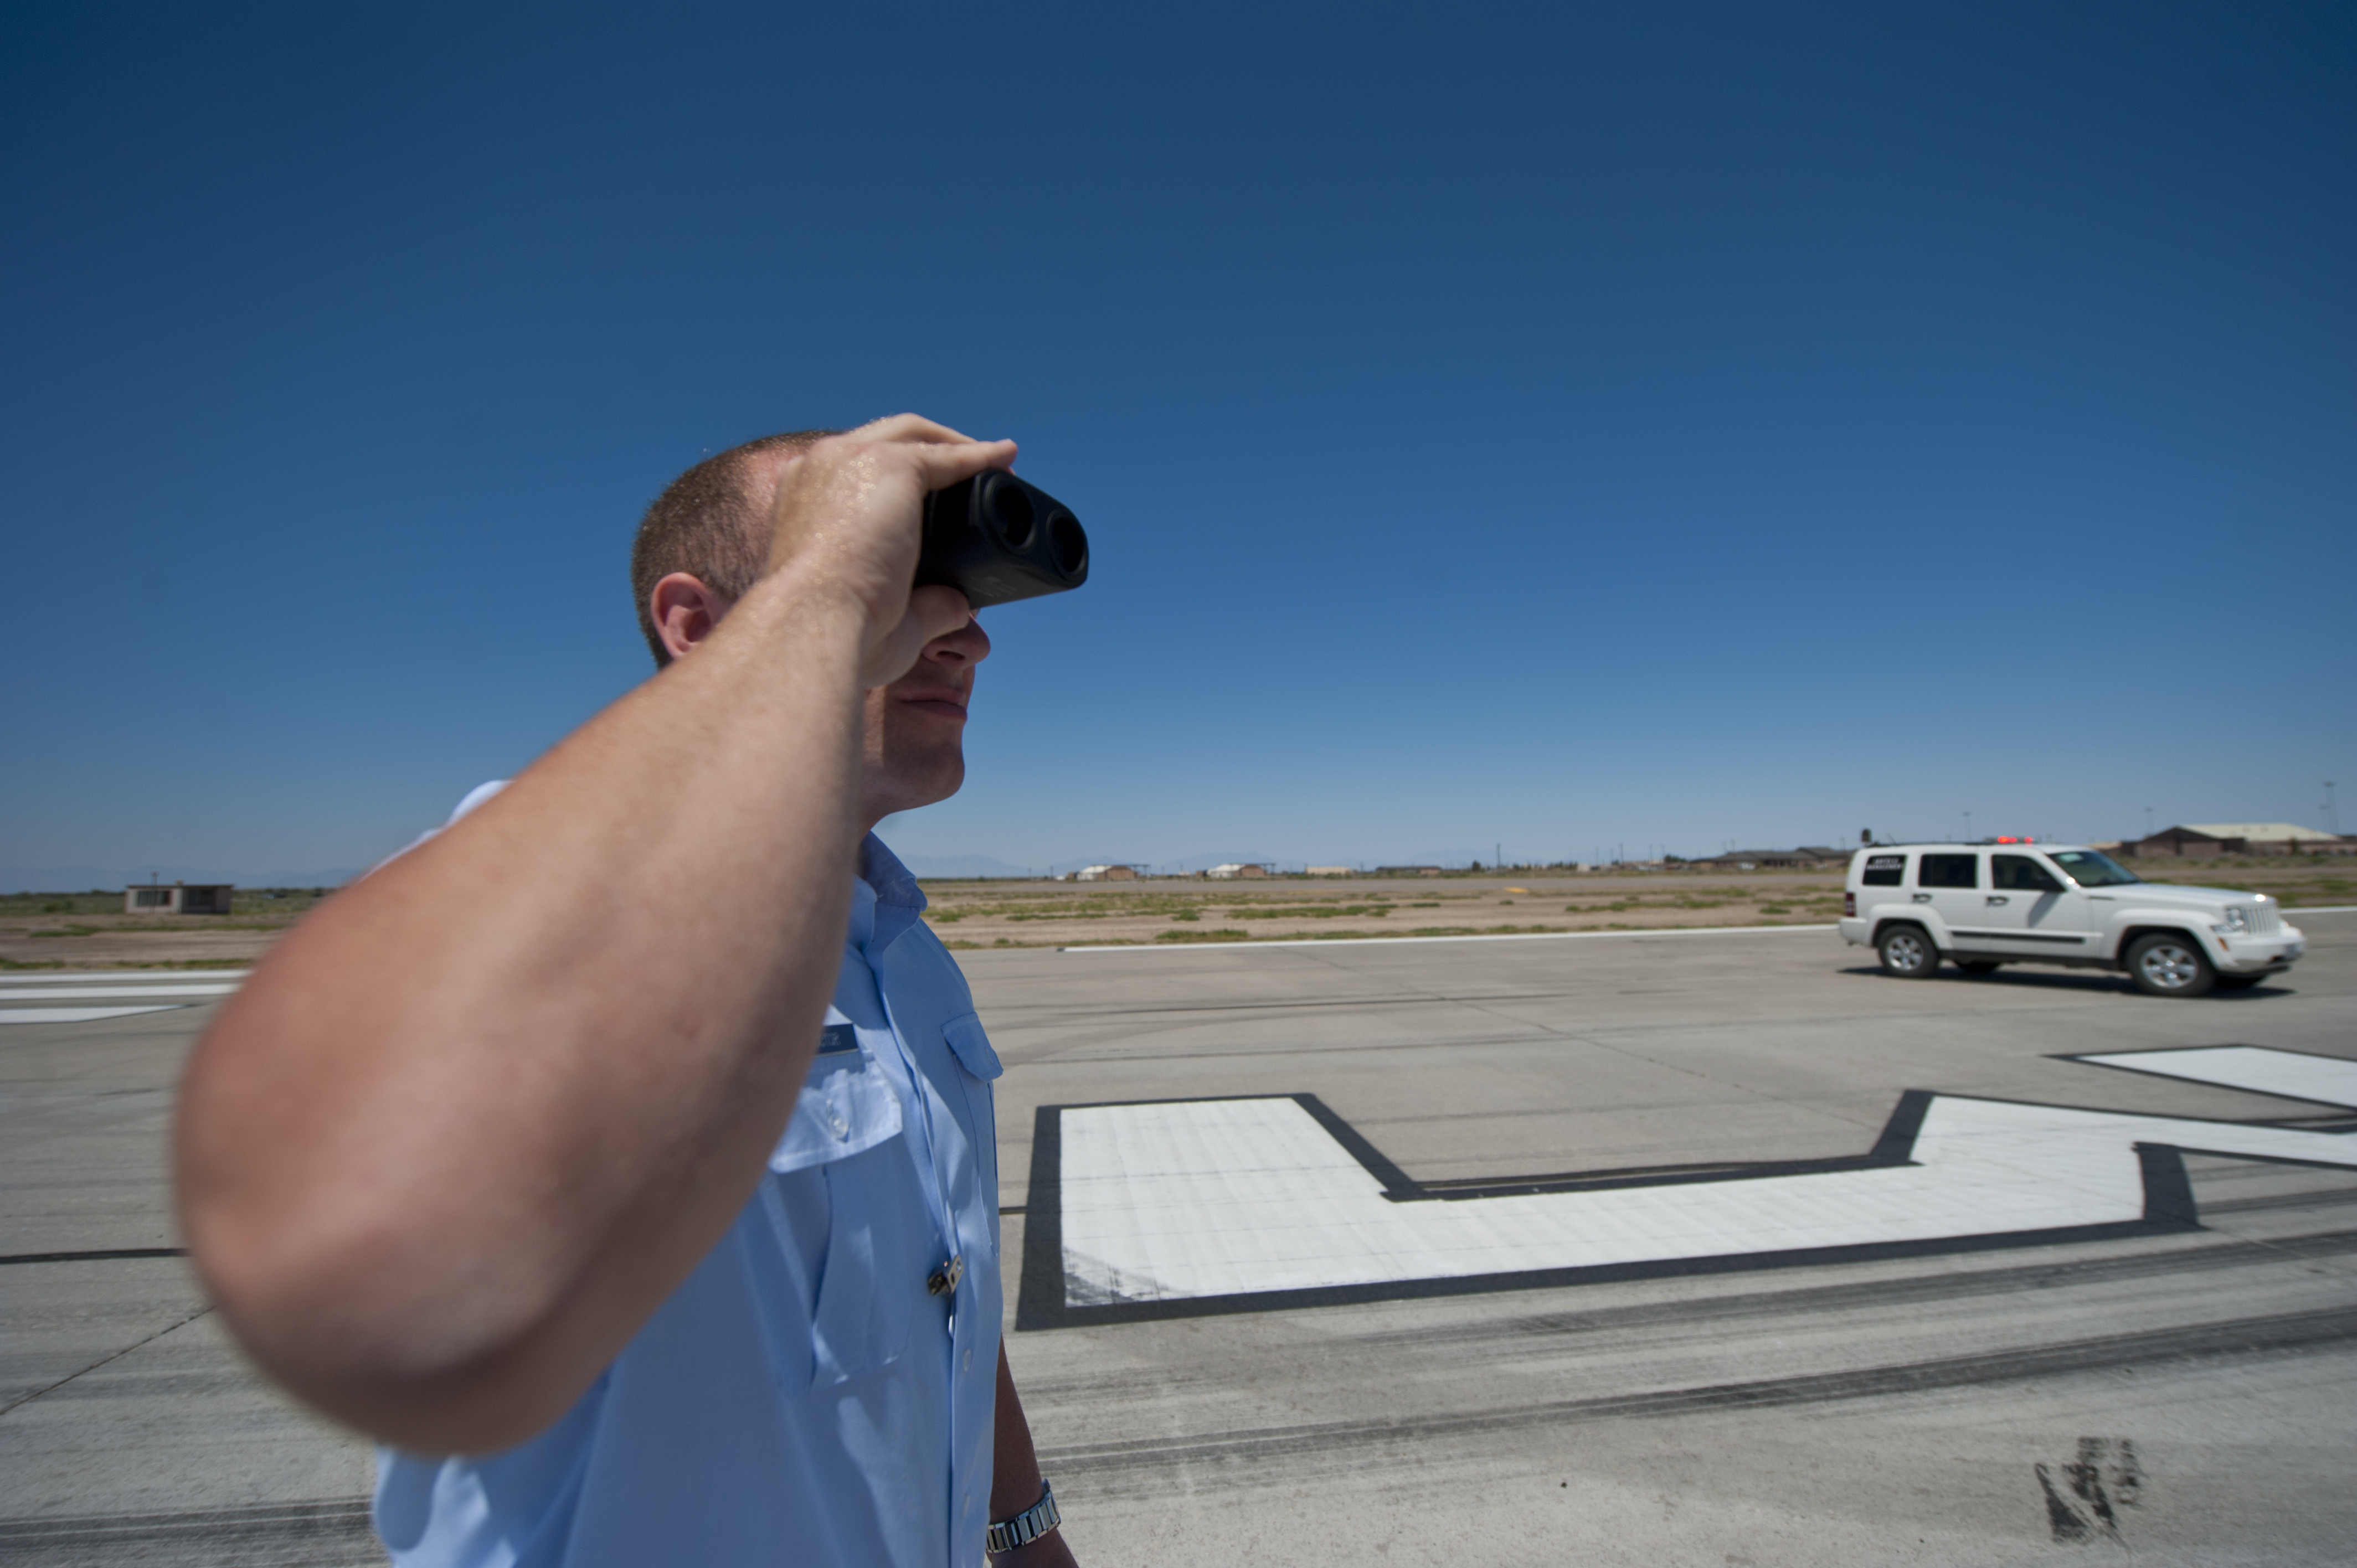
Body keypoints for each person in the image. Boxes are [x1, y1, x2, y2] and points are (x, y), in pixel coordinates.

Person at [174, 416, 1079, 1567]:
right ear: (697, 626)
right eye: (898, 581)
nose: (960, 640)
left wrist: (1023, 1527)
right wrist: (824, 602)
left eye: (953, 601)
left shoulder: (904, 954)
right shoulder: (514, 886)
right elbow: (330, 1251)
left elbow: (938, 1278)